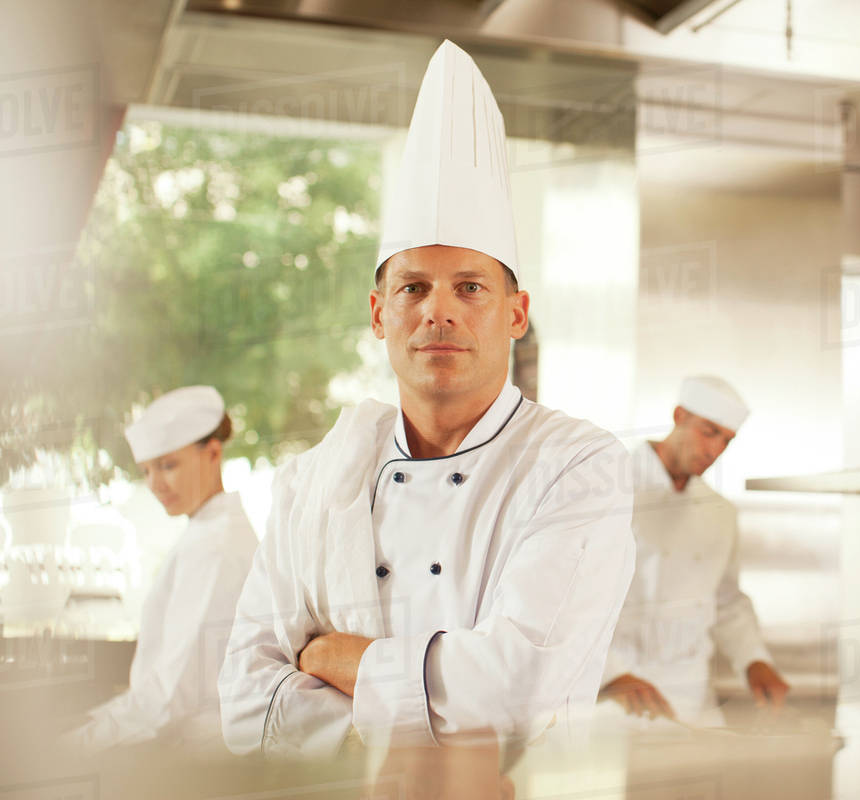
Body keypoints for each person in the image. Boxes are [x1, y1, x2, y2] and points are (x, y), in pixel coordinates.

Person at [218, 40, 635, 759]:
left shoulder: (578, 466)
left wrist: (332, 659)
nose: (438, 312)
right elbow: (243, 705)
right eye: (413, 287)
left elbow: (520, 690)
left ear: (515, 312)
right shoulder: (313, 482)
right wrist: (434, 713)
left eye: (470, 286)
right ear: (380, 313)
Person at [62, 385, 258, 753]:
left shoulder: (216, 547)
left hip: (188, 755)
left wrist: (73, 746)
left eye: (168, 466)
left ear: (212, 453)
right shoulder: (206, 530)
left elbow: (170, 699)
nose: (155, 485)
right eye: (146, 470)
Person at [599, 376, 790, 725]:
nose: (714, 451)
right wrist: (610, 675)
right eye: (709, 432)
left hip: (693, 701)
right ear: (679, 416)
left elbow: (725, 599)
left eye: (727, 441)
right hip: (616, 695)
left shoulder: (719, 512)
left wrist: (754, 660)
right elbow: (563, 599)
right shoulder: (605, 487)